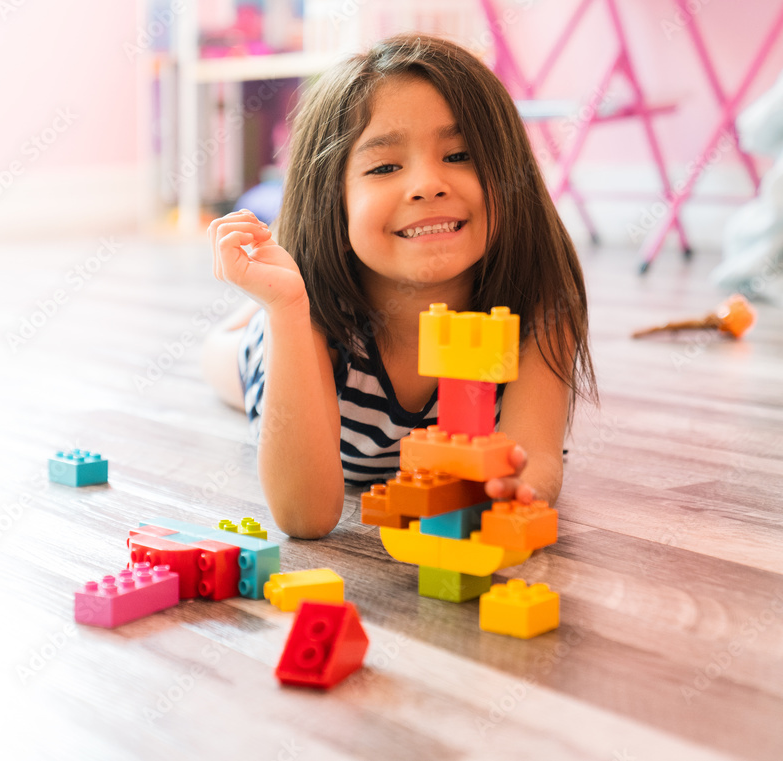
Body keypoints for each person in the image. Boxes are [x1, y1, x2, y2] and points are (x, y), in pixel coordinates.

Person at [202, 33, 596, 539]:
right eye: (385, 166)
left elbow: (534, 456)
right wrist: (282, 309)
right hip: (296, 328)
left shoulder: (539, 304)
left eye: (459, 155)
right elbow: (306, 517)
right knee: (223, 353)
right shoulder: (306, 319)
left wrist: (515, 491)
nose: (428, 184)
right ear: (332, 205)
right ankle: (247, 314)